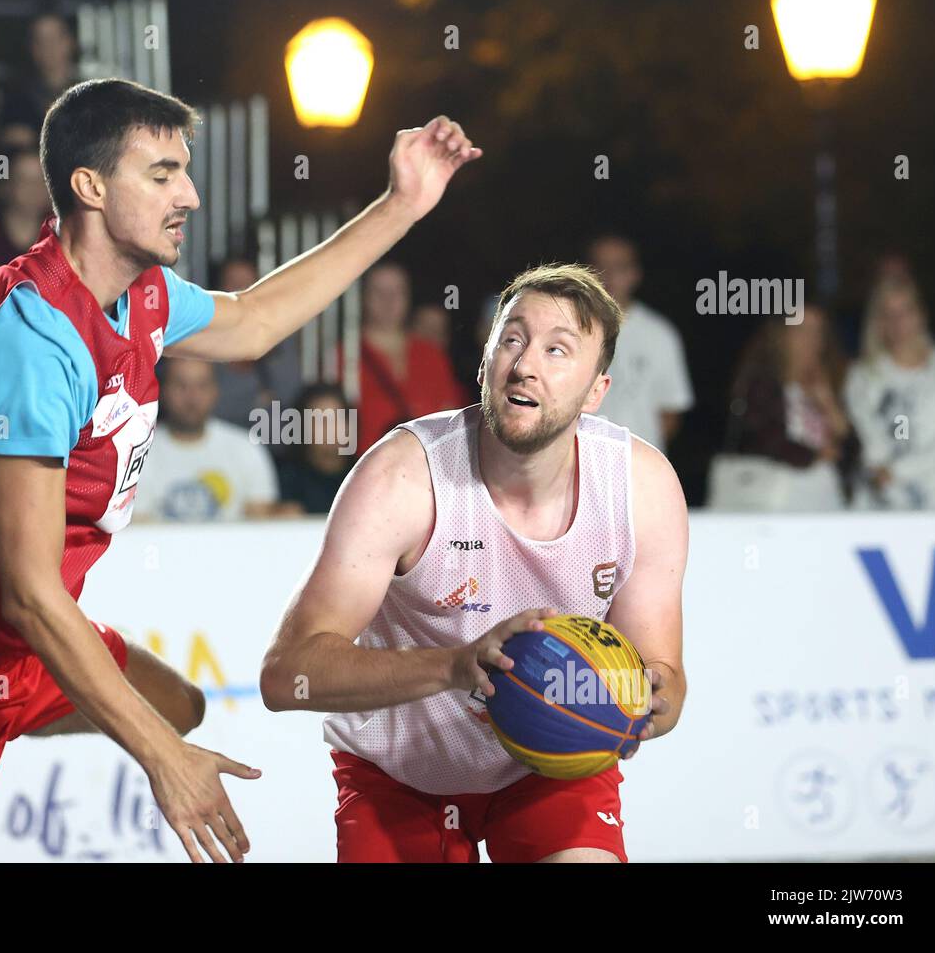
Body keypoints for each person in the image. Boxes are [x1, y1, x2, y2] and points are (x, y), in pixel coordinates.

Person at [0, 76, 482, 863]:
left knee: (181, 704)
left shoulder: (145, 295)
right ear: (89, 186)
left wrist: (402, 202)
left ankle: (5, 723)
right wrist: (164, 763)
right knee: (161, 731)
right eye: (163, 173)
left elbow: (258, 319)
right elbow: (29, 593)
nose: (191, 195)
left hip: (12, 657)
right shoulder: (31, 346)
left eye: (186, 170)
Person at [261, 263, 688, 863]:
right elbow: (285, 675)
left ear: (597, 392)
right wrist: (455, 667)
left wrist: (652, 702)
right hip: (400, 770)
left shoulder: (639, 487)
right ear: (485, 358)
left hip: (550, 762)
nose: (525, 363)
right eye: (511, 338)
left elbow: (664, 674)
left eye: (557, 350)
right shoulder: (403, 476)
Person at [715, 304, 858, 510]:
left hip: (824, 498)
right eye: (801, 330)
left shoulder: (835, 382)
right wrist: (814, 455)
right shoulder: (760, 386)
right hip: (776, 500)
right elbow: (764, 438)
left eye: (818, 332)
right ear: (782, 335)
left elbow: (854, 455)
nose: (810, 340)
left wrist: (829, 405)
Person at [134, 359, 291, 521]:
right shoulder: (138, 450)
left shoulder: (247, 447)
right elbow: (136, 526)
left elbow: (262, 521)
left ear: (216, 391)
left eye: (202, 385)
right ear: (162, 390)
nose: (192, 397)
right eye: (181, 385)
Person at [844, 276, 935, 509]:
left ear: (921, 314)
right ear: (878, 322)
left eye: (905, 312)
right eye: (888, 314)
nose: (898, 323)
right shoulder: (862, 377)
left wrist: (898, 470)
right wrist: (883, 471)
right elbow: (871, 439)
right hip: (883, 503)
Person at [585, 234, 692, 454]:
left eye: (619, 267)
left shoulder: (660, 334)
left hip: (637, 469)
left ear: (635, 274)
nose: (608, 276)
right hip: (577, 462)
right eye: (600, 266)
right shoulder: (568, 328)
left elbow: (670, 412)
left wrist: (639, 455)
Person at [350, 261, 466, 455]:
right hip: (366, 470)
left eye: (397, 291)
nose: (388, 300)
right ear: (363, 298)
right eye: (378, 291)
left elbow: (451, 421)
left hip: (425, 471)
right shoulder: (344, 355)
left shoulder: (431, 355)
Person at [210, 256, 302, 430]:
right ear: (217, 292)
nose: (242, 293)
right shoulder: (203, 343)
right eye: (234, 284)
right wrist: (260, 401)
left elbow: (292, 401)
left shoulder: (279, 340)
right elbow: (209, 410)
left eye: (250, 285)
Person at [0, 8, 79, 151]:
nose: (49, 47)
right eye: (41, 40)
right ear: (32, 48)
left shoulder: (90, 95)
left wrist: (34, 137)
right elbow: (4, 156)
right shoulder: (15, 97)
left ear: (70, 42)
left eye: (55, 38)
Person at [275, 382, 355, 515]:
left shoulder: (365, 472)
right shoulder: (285, 478)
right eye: (321, 421)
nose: (331, 429)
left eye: (338, 419)